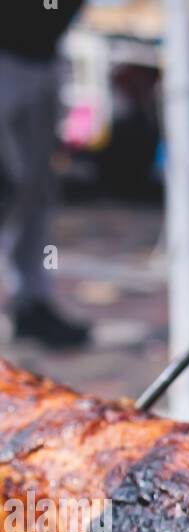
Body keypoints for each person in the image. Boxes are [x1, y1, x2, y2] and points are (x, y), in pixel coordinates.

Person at [0, 0, 90, 348]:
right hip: (7, 55)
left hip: (43, 54)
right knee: (8, 185)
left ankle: (31, 303)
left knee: (36, 189)